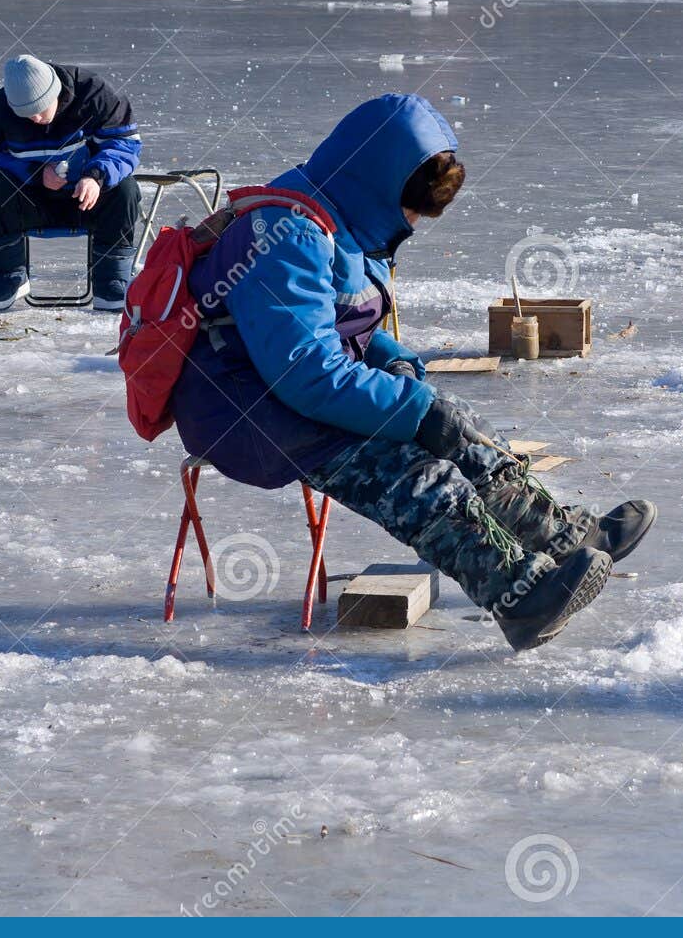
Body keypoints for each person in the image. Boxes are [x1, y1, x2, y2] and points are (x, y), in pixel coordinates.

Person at [170, 94, 655, 650]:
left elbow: (342, 326)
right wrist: (413, 410)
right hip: (244, 413)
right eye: (414, 207)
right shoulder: (288, 235)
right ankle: (519, 597)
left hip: (289, 396)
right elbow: (305, 369)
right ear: (377, 184)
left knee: (461, 427)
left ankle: (561, 537)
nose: (417, 222)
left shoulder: (342, 222)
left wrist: (394, 363)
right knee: (415, 472)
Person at [0, 55, 143, 312]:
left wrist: (95, 176)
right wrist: (33, 174)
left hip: (85, 201)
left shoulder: (94, 94)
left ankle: (111, 281)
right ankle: (9, 276)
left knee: (126, 189)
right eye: (25, 113)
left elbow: (126, 144)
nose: (34, 118)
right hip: (30, 204)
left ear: (54, 93)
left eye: (40, 109)